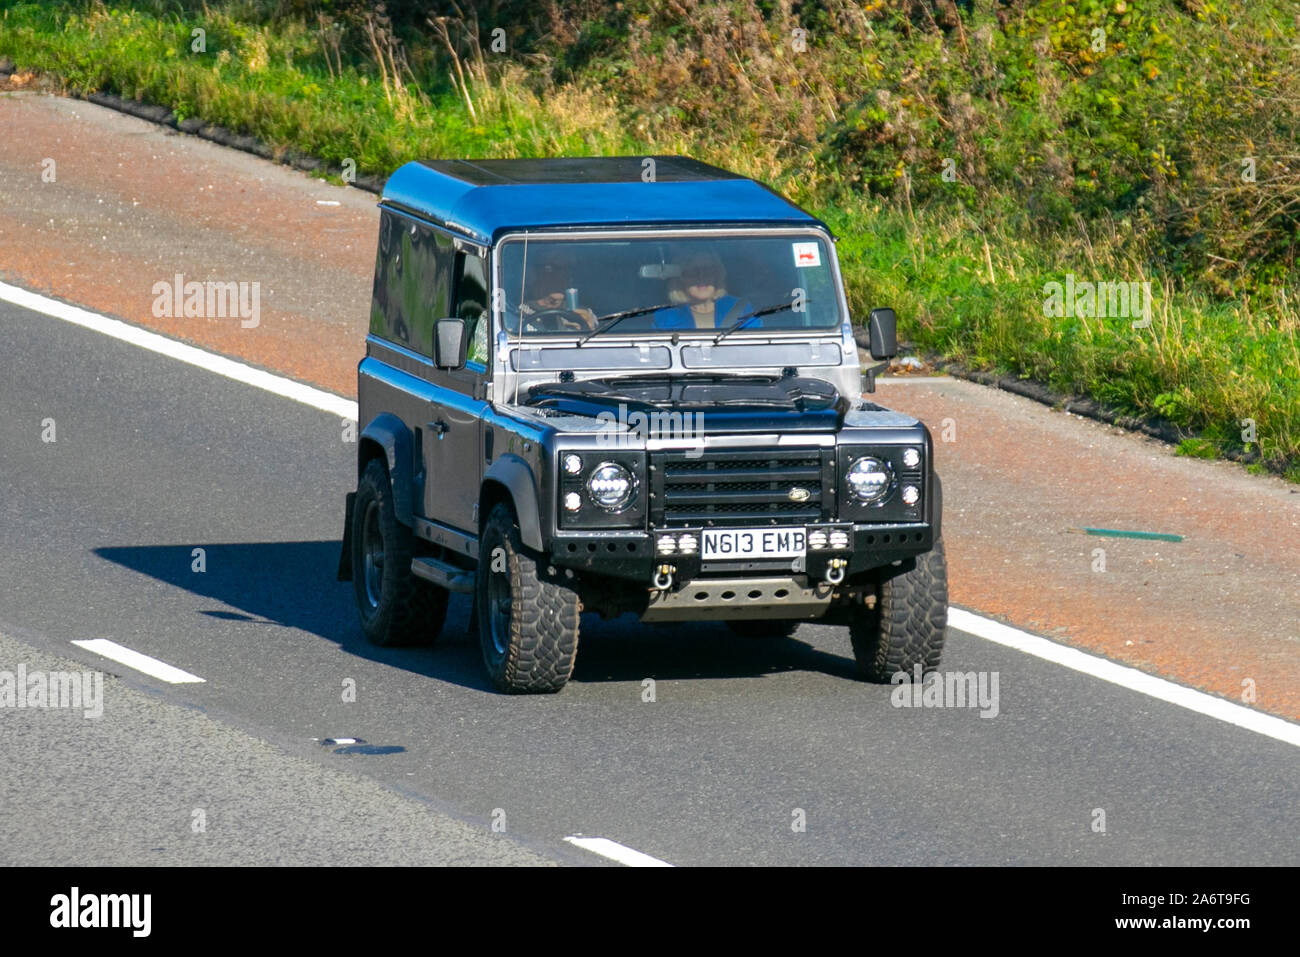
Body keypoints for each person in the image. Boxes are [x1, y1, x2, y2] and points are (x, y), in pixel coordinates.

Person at [652, 250, 755, 331]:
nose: (701, 277)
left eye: (708, 271)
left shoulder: (741, 309)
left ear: (717, 275)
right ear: (681, 278)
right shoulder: (664, 318)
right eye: (693, 271)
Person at [513, 257, 598, 332]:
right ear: (534, 275)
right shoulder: (521, 311)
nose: (558, 277)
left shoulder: (582, 312)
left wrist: (589, 329)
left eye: (565, 271)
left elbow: (599, 338)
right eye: (549, 270)